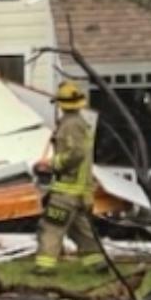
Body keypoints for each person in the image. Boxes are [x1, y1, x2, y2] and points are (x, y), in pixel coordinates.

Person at [33, 81, 104, 275]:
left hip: (67, 189)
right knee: (80, 230)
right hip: (80, 190)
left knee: (51, 227)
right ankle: (97, 263)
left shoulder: (71, 124)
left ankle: (44, 267)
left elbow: (76, 153)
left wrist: (53, 163)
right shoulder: (79, 122)